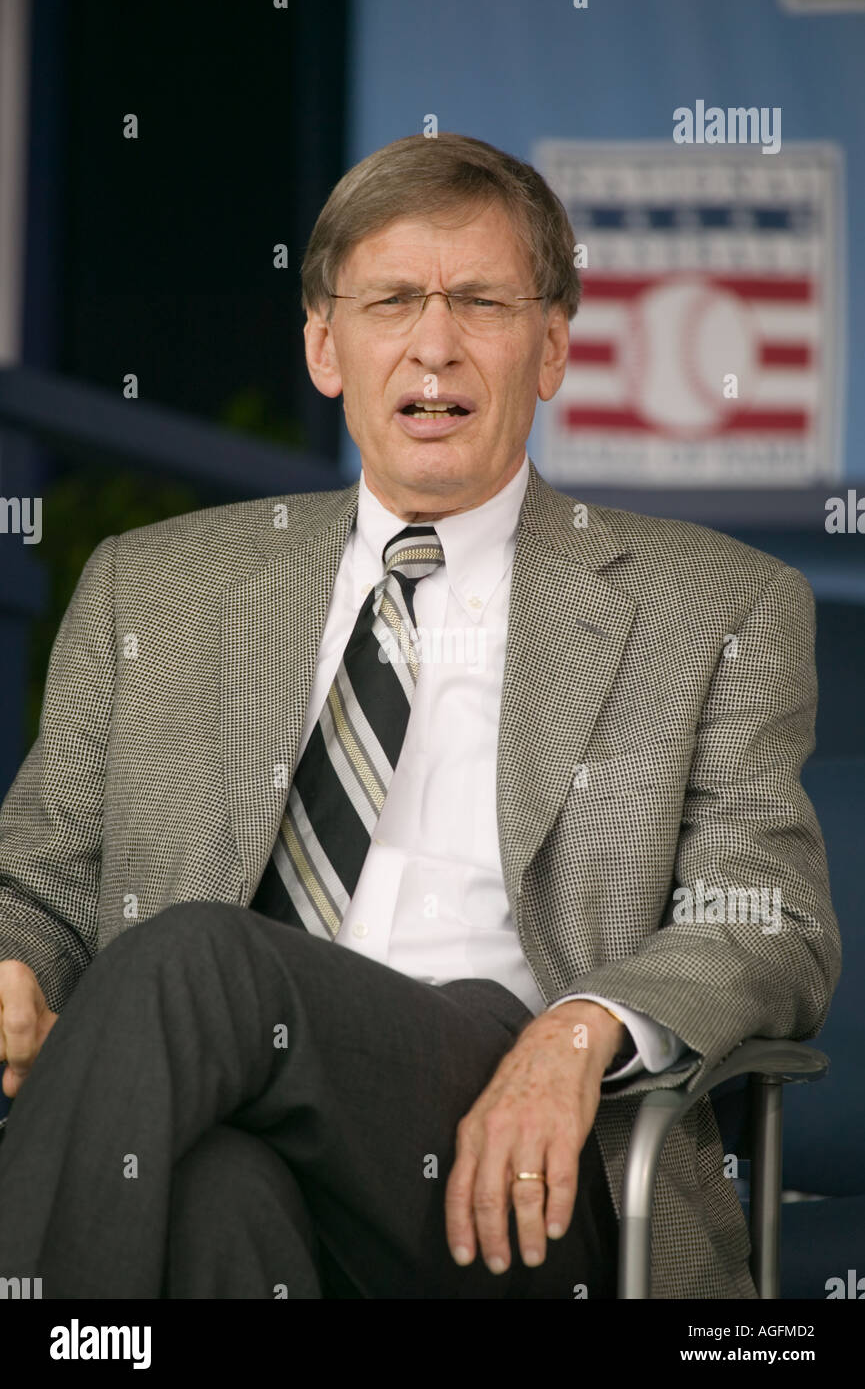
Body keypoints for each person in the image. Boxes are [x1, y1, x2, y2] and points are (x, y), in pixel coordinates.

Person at [0, 132, 840, 1299]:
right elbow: (38, 882)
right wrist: (14, 961)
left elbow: (773, 919)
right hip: (222, 1125)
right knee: (215, 1192)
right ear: (323, 345)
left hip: (522, 1169)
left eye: (482, 302)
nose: (433, 344)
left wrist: (582, 1029)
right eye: (391, 299)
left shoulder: (714, 605)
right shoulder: (154, 587)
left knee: (195, 956)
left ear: (551, 346)